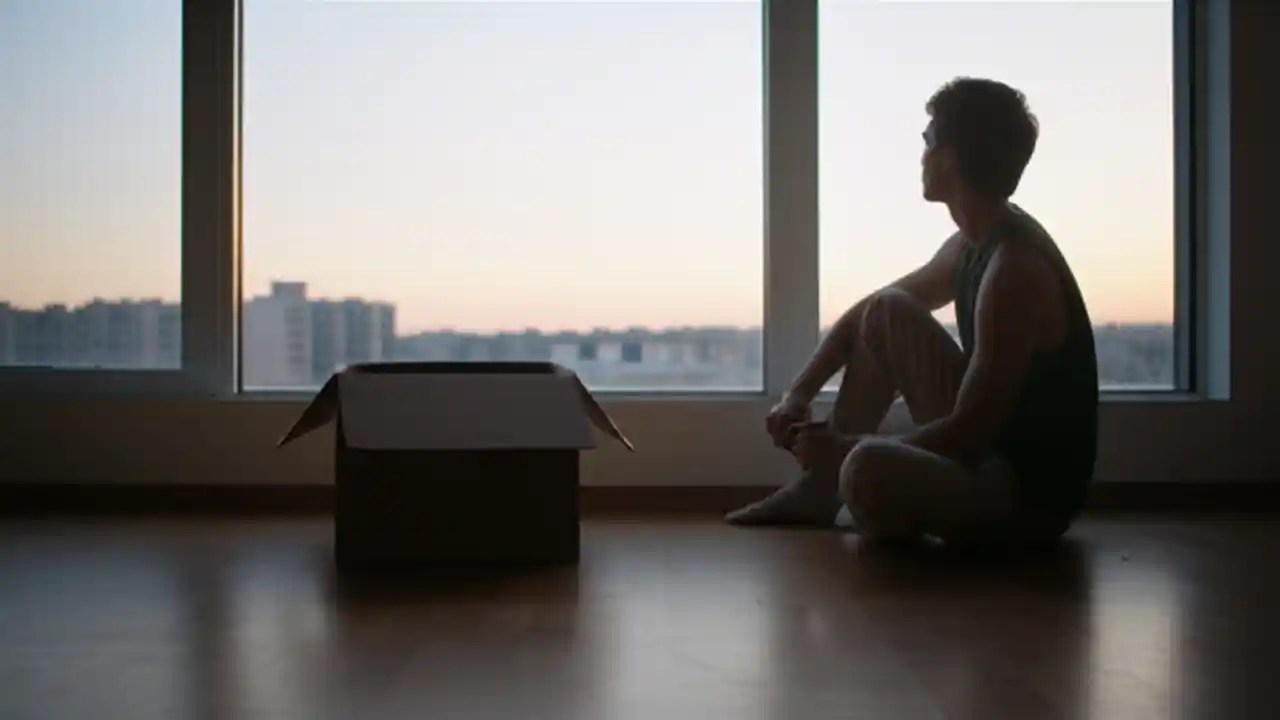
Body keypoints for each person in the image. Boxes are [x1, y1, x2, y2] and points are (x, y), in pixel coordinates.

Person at [726, 78, 1098, 546]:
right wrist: (798, 394)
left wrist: (844, 451)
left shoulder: (1014, 270)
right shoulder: (972, 244)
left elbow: (971, 430)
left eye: (927, 141)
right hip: (990, 450)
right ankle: (820, 491)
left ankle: (854, 491)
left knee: (865, 466)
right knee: (886, 310)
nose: (920, 155)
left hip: (1025, 495)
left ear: (950, 158)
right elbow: (868, 314)